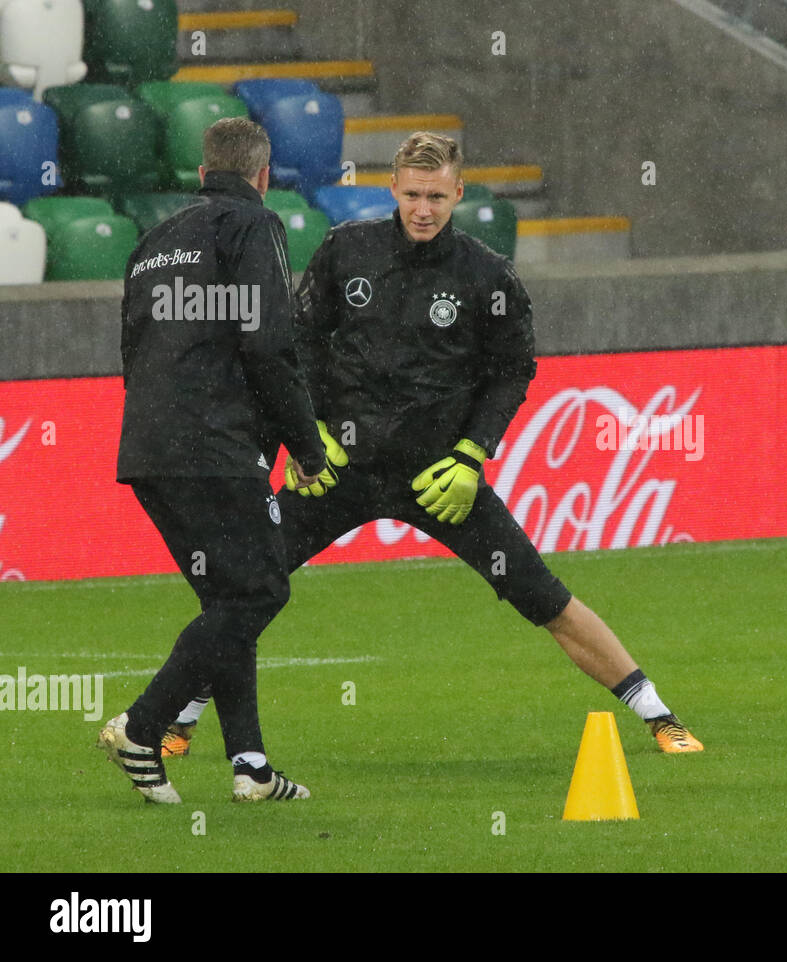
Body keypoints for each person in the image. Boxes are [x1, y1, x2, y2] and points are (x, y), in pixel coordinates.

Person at [161, 131, 702, 759]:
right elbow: (299, 345)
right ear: (392, 189)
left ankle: (658, 715)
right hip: (342, 472)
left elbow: (512, 372)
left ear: (459, 194)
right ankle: (179, 718)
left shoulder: (485, 274)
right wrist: (315, 439)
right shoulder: (346, 250)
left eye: (437, 197)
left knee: (539, 594)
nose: (423, 208)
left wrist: (472, 456)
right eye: (413, 194)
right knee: (247, 588)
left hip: (439, 480)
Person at [99, 117, 335, 804]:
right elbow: (269, 346)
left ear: (202, 174)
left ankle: (251, 768)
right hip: (214, 445)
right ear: (264, 177)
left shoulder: (152, 241)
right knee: (260, 591)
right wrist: (308, 447)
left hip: (146, 444)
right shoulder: (253, 227)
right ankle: (143, 726)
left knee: (226, 600)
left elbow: (132, 349)